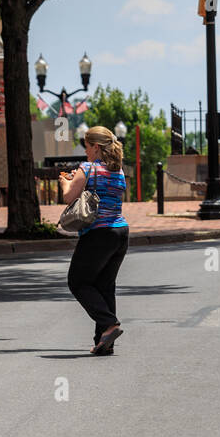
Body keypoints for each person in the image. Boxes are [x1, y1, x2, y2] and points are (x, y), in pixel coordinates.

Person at [61, 126, 129, 356]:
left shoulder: (88, 168)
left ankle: (110, 324)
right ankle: (104, 342)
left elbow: (69, 197)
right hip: (120, 232)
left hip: (98, 233)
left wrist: (65, 182)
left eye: (87, 146)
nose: (86, 151)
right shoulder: (118, 171)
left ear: (96, 147)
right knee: (105, 286)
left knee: (77, 281)